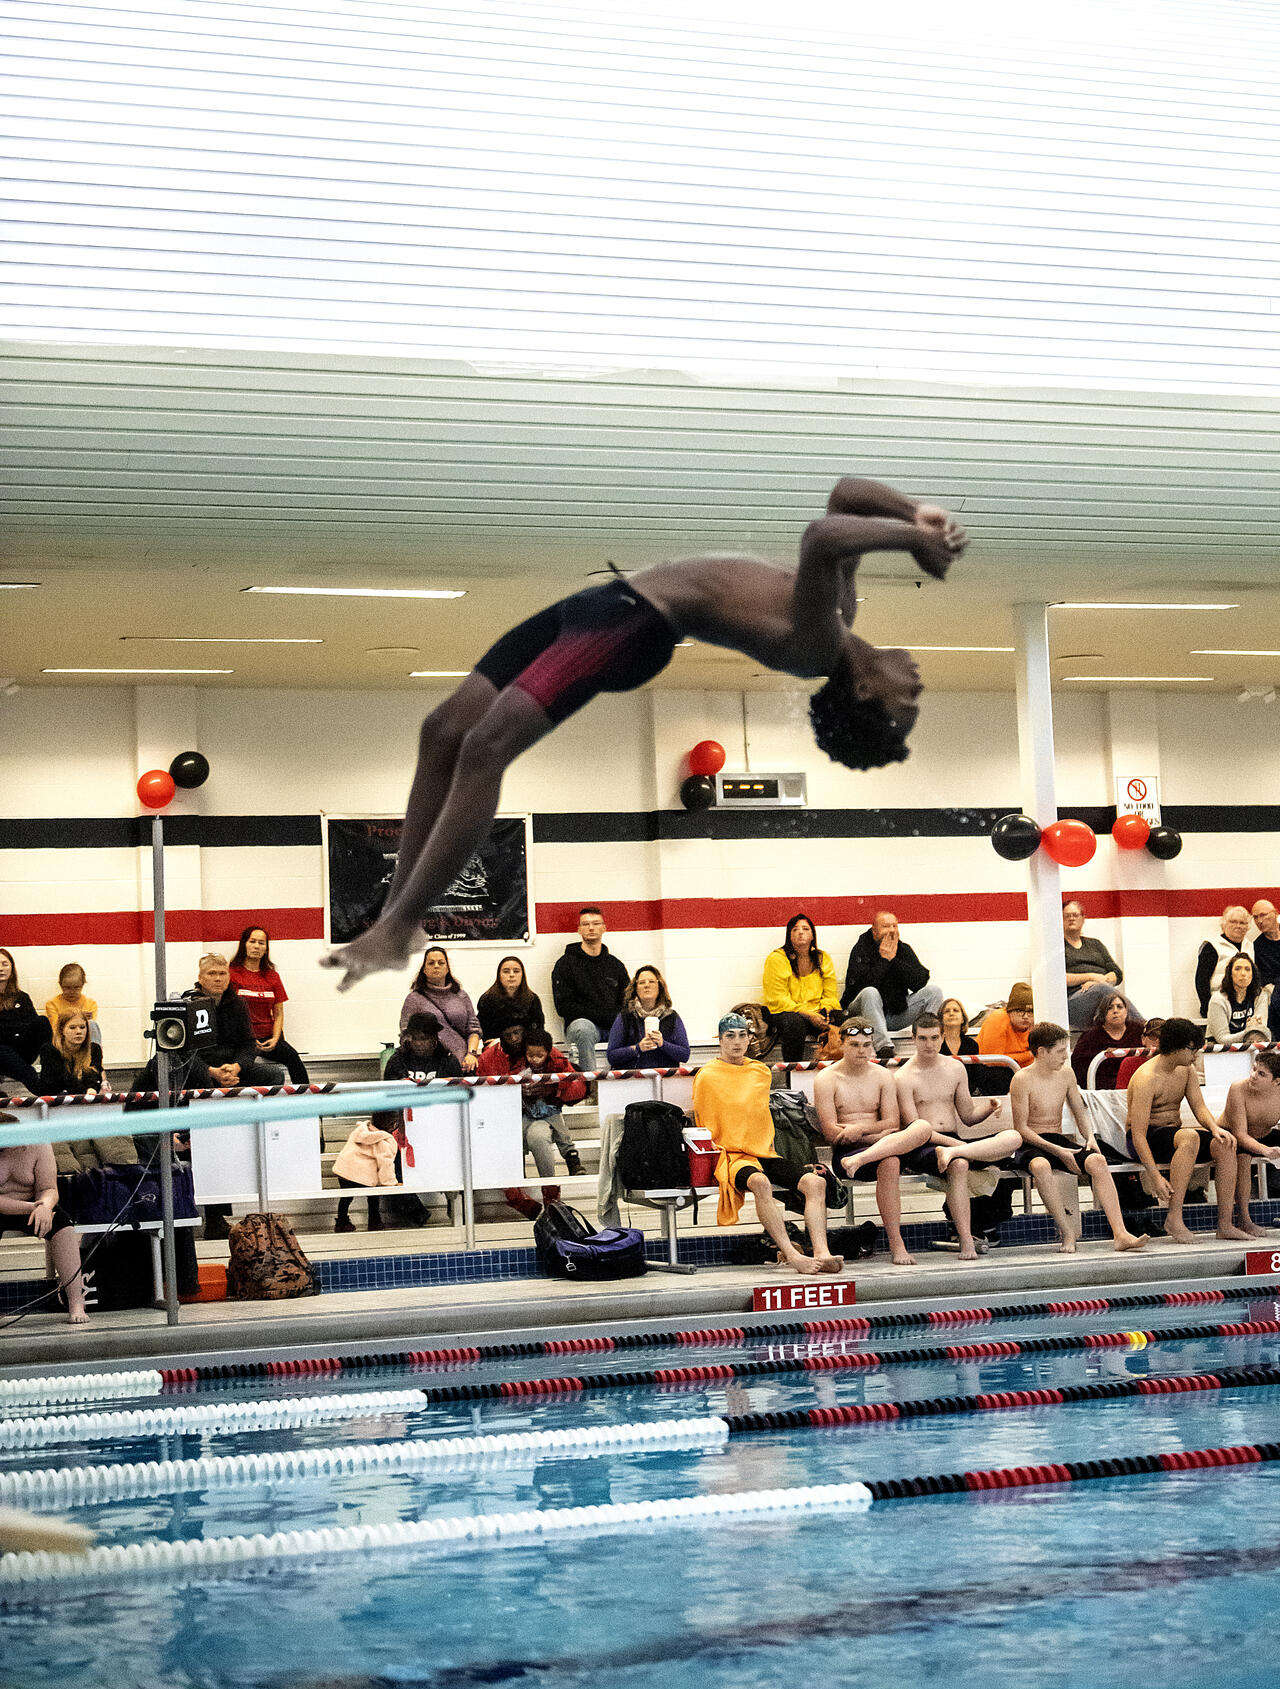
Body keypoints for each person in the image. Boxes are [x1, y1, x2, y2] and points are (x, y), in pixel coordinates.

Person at [323, 475, 966, 990]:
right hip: (605, 602)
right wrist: (917, 515)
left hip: (632, 628)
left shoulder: (818, 643)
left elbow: (822, 533)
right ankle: (396, 923)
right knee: (442, 732)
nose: (917, 686)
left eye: (908, 703)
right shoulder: (838, 612)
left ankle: (400, 924)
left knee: (485, 748)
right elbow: (845, 496)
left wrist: (908, 539)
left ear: (862, 694)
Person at [694, 1012, 844, 1275]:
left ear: (750, 1038)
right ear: (720, 1040)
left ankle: (821, 1252)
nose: (737, 1041)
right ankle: (792, 1254)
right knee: (760, 1182)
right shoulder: (707, 1075)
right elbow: (707, 1124)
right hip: (732, 1155)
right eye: (730, 1036)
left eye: (743, 1034)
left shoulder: (759, 1071)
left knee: (815, 1183)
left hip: (764, 1152)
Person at [1008, 1022, 1147, 1254]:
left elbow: (1079, 1110)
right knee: (1041, 1167)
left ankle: (1120, 1233)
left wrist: (1089, 1138)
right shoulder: (1022, 1079)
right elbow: (1021, 1128)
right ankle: (1067, 1232)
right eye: (1061, 1051)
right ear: (1042, 1052)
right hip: (1032, 1143)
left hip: (1057, 1138)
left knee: (1098, 1161)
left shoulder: (1066, 1074)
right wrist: (1059, 1151)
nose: (1066, 1055)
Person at [895, 1013, 1022, 1262]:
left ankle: (956, 1153)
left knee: (1014, 1138)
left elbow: (967, 1116)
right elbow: (914, 1128)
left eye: (934, 1038)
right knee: (960, 1163)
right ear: (913, 1039)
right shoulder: (903, 1077)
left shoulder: (955, 1068)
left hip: (954, 1143)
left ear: (942, 1037)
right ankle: (966, 1239)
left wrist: (987, 1108)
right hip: (924, 1144)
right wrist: (957, 1147)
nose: (929, 1044)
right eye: (923, 1038)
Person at [813, 1017, 932, 1266]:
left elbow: (893, 1123)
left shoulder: (882, 1076)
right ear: (842, 1044)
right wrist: (871, 1133)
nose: (862, 1050)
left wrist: (860, 1129)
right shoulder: (826, 1079)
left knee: (917, 1132)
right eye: (855, 1045)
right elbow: (831, 1132)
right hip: (847, 1153)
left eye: (867, 1045)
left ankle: (896, 1242)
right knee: (889, 1160)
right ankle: (897, 1244)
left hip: (876, 1145)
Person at [1125, 1017, 1244, 1244]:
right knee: (1189, 1137)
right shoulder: (1146, 1078)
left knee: (1226, 1143)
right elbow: (1138, 1134)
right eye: (1192, 1049)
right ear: (1176, 1047)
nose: (1195, 1055)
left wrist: (1215, 1129)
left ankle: (1225, 1224)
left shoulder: (1186, 1070)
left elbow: (1199, 1107)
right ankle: (1174, 1218)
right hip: (1145, 1139)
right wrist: (1155, 1176)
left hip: (1174, 1138)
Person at [372, 1010, 462, 1228]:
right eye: (415, 1038)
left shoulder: (448, 1061)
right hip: (403, 1124)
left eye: (425, 1038)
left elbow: (460, 1097)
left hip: (441, 1124)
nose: (419, 1043)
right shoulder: (397, 1061)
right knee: (387, 1155)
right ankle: (416, 1211)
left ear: (434, 1039)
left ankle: (457, 1201)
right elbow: (388, 1100)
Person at [485, 1027, 587, 1219]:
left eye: (539, 1055)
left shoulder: (557, 1061)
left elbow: (577, 1087)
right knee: (502, 1141)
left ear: (548, 1051)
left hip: (546, 1112)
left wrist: (553, 1090)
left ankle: (552, 1195)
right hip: (511, 1115)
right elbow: (489, 1094)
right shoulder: (495, 1058)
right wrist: (516, 1092)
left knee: (542, 1135)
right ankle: (515, 1195)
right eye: (508, 1034)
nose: (514, 1038)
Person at [0, 1124, 88, 1322]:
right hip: (10, 1206)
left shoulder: (38, 1143)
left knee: (63, 1225)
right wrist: (33, 1208)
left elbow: (49, 1188)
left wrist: (45, 1207)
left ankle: (76, 1301)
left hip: (35, 1204)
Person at [841, 911, 943, 1058]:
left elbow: (920, 981)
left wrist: (893, 960)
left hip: (894, 1014)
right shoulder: (861, 949)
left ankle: (928, 1043)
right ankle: (884, 1048)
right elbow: (858, 988)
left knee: (934, 991)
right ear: (874, 930)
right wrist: (883, 961)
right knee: (870, 992)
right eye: (886, 926)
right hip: (861, 1015)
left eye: (895, 926)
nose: (891, 930)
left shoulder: (903, 949)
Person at [228, 926, 311, 1086]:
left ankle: (307, 1102)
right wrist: (248, 1039)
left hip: (268, 1037)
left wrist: (275, 1038)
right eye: (252, 941)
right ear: (244, 944)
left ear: (266, 948)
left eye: (261, 943)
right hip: (244, 1038)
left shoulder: (272, 976)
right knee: (242, 1067)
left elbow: (278, 1013)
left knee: (293, 1058)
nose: (257, 946)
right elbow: (230, 1012)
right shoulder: (232, 974)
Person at [550, 908, 630, 1072]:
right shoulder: (565, 964)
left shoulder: (616, 966)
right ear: (579, 930)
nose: (591, 928)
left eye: (596, 923)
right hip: (584, 1028)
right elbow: (564, 1007)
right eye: (585, 924)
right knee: (583, 1028)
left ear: (604, 928)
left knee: (635, 1025)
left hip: (612, 1027)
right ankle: (590, 1085)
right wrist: (605, 1016)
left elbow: (628, 1002)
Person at [762, 913, 842, 1062]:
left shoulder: (823, 958)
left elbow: (830, 995)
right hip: (786, 1013)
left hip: (816, 1013)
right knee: (794, 1023)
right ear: (789, 936)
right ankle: (792, 1075)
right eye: (795, 929)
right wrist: (809, 1015)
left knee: (839, 1018)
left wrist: (825, 1013)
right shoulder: (777, 958)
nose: (800, 932)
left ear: (813, 935)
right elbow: (778, 999)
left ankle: (833, 1071)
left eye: (805, 929)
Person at [1218, 1050, 1280, 1237]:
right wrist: (1265, 1150)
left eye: (1261, 1074)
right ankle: (1244, 1220)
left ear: (1276, 1082)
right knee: (1243, 1156)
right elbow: (1240, 1134)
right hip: (1232, 1137)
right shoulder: (1238, 1088)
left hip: (1264, 1135)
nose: (1253, 1076)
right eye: (1254, 1069)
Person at [399, 947, 481, 1072]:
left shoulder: (461, 995)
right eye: (431, 963)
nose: (436, 966)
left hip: (464, 1064)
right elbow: (406, 1034)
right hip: (430, 1068)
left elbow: (474, 1029)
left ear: (447, 968)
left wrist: (471, 1054)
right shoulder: (414, 999)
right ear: (424, 970)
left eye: (441, 963)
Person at [1062, 900, 1140, 1030]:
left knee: (1110, 996)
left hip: (1101, 998)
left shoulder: (1095, 944)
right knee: (1105, 992)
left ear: (1083, 919)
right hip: (1072, 1003)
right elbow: (1058, 979)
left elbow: (1117, 974)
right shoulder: (1057, 947)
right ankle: (1145, 1028)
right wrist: (1092, 977)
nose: (1071, 919)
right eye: (1067, 915)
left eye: (1075, 915)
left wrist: (1100, 980)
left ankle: (1137, 1033)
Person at [606, 965, 691, 1070]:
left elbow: (685, 1055)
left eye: (651, 982)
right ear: (635, 988)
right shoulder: (625, 1017)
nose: (647, 985)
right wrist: (638, 1048)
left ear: (659, 986)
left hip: (665, 1081)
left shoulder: (671, 1017)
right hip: (630, 1082)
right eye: (642, 982)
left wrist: (663, 1044)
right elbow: (611, 1056)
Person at [332, 1120, 398, 1233]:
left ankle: (341, 1223)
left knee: (346, 1198)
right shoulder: (383, 1141)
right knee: (373, 1198)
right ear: (391, 1126)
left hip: (345, 1169)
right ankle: (374, 1222)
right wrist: (390, 1182)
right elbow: (385, 1164)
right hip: (364, 1173)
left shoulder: (360, 1130)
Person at [1069, 992, 1144, 1088]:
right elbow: (1078, 1068)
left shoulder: (1139, 1030)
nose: (1115, 1011)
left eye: (1119, 1007)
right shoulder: (1090, 1037)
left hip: (1135, 1084)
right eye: (1110, 1008)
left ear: (1126, 1011)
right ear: (1103, 1013)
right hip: (1103, 1090)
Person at [1194, 905, 1254, 1018]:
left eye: (1242, 923)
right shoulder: (1211, 946)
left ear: (1248, 927)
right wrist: (1207, 1008)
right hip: (1219, 1006)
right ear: (1224, 924)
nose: (1238, 926)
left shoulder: (1250, 946)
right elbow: (1201, 981)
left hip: (1244, 1009)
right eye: (1233, 922)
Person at [0, 949, 44, 1093]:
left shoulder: (23, 997)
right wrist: (16, 1030)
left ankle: (52, 1074)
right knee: (3, 1050)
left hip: (22, 1050)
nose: (1, 968)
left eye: (5, 964)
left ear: (12, 969)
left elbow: (32, 1025)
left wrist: (12, 1031)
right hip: (2, 1053)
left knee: (42, 1022)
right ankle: (40, 1089)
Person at [476, 955, 546, 1046]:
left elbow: (538, 1031)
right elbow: (483, 1032)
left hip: (525, 1048)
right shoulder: (487, 999)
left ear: (522, 975)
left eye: (516, 971)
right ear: (499, 975)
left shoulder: (532, 999)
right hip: (496, 1048)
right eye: (506, 971)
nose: (511, 975)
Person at [1206, 954, 1272, 1046]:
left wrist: (1253, 1030)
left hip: (1251, 1047)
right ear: (1230, 974)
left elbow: (1261, 1031)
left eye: (1247, 969)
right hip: (1221, 1051)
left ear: (1252, 974)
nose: (1243, 973)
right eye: (1237, 969)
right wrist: (1248, 1031)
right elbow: (1222, 1038)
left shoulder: (1260, 995)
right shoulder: (1218, 1000)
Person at [37, 1011, 103, 1095]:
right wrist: (85, 1091)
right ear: (62, 1030)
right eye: (72, 1028)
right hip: (54, 1097)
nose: (79, 1032)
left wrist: (92, 1088)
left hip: (82, 1095)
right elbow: (62, 1079)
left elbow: (95, 1075)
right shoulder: (49, 1049)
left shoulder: (94, 1049)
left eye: (82, 1027)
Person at [976, 982, 1036, 1068]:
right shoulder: (998, 1018)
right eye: (1019, 1011)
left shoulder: (1035, 1023)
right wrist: (1029, 1055)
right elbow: (993, 1060)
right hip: (990, 1071)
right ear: (1010, 1011)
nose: (1025, 1016)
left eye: (1030, 1012)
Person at [1250, 899, 1280, 1039]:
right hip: (1274, 992)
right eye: (1255, 917)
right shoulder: (1257, 946)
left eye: (1263, 915)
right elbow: (1262, 978)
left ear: (1275, 913)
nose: (1259, 921)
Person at [43, 963, 98, 1040]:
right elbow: (55, 1029)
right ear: (60, 985)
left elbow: (88, 1029)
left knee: (93, 1024)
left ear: (83, 985)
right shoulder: (52, 1004)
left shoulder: (91, 1004)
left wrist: (65, 1019)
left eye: (76, 987)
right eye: (67, 988)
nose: (72, 991)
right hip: (63, 1041)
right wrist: (80, 1016)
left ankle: (95, 1051)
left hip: (84, 1042)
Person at [1115, 1018, 1165, 1090]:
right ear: (1143, 1039)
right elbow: (1121, 1095)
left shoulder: (1176, 1063)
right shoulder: (1129, 1063)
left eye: (1163, 1036)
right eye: (1153, 1035)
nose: (1158, 1040)